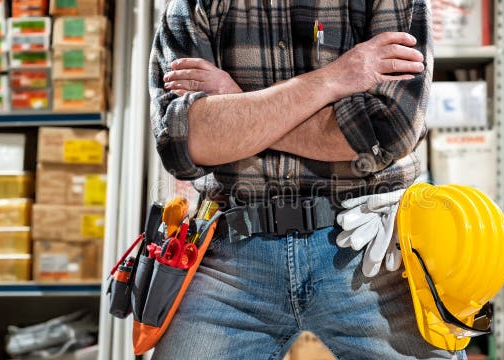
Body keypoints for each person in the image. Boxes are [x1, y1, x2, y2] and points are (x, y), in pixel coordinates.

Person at [148, 0, 462, 358]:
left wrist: (237, 104)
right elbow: (185, 143)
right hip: (231, 252)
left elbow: (386, 131)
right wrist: (333, 79)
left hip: (370, 247)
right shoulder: (191, 5)